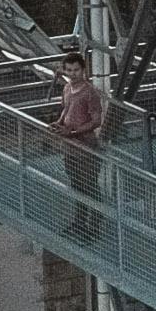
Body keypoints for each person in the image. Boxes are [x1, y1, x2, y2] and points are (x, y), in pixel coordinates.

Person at [52, 52, 108, 237]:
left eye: (76, 70)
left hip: (86, 147)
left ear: (83, 70)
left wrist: (75, 132)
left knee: (89, 185)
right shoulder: (67, 89)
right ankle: (80, 222)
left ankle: (95, 225)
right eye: (69, 70)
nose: (72, 73)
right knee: (76, 185)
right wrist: (59, 123)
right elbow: (66, 109)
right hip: (70, 147)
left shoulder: (89, 92)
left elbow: (97, 120)